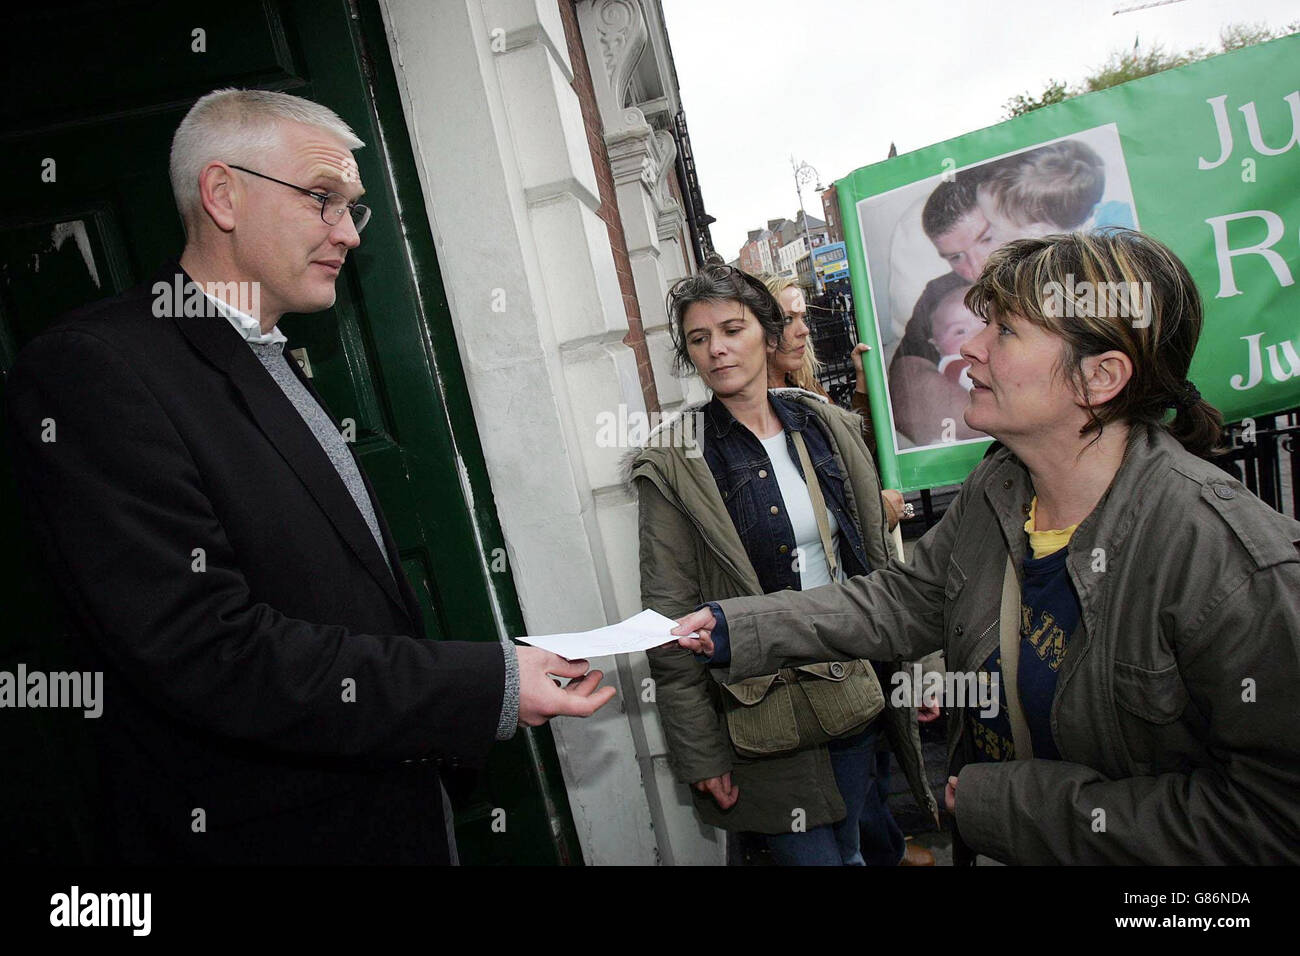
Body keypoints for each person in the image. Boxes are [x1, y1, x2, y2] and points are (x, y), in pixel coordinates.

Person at [4, 88, 613, 865]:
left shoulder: (271, 358)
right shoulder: (94, 371)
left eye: (352, 209)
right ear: (222, 195)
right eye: (323, 199)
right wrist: (483, 684)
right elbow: (207, 651)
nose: (348, 234)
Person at [673, 229, 1300, 864]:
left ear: (1100, 376)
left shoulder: (1230, 562)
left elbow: (1271, 820)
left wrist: (1012, 806)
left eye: (1003, 331)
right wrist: (734, 627)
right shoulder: (999, 486)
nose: (970, 347)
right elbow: (902, 602)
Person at [630, 264, 937, 866]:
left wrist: (919, 663)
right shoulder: (673, 461)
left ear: (767, 336)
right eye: (698, 338)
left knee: (852, 850)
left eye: (731, 328)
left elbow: (879, 565)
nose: (716, 348)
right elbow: (668, 617)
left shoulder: (828, 427)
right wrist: (700, 752)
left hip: (848, 683)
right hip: (756, 715)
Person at [760, 273, 906, 530]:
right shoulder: (757, 408)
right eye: (787, 319)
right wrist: (880, 512)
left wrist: (861, 378)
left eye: (803, 317)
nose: (804, 330)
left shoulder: (804, 387)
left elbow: (855, 449)